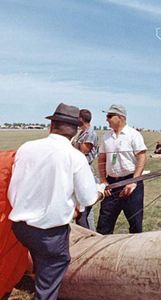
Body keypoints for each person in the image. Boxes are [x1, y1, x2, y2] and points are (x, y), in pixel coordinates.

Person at [8, 103, 103, 300]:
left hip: (20, 227)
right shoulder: (75, 157)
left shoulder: (26, 148)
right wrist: (100, 192)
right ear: (75, 132)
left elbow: (14, 189)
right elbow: (87, 198)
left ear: (52, 126)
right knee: (50, 279)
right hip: (49, 235)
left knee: (41, 261)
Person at [97, 104, 147, 234]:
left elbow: (141, 158)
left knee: (135, 224)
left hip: (131, 183)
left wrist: (134, 181)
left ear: (120, 117)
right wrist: (103, 181)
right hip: (111, 184)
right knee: (104, 225)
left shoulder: (133, 135)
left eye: (109, 116)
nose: (106, 119)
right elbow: (101, 159)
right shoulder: (106, 137)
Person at [72, 108, 99, 231]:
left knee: (84, 210)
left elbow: (84, 150)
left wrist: (71, 146)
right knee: (83, 211)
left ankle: (90, 236)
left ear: (81, 119)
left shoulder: (90, 133)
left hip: (85, 171)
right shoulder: (81, 133)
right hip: (78, 170)